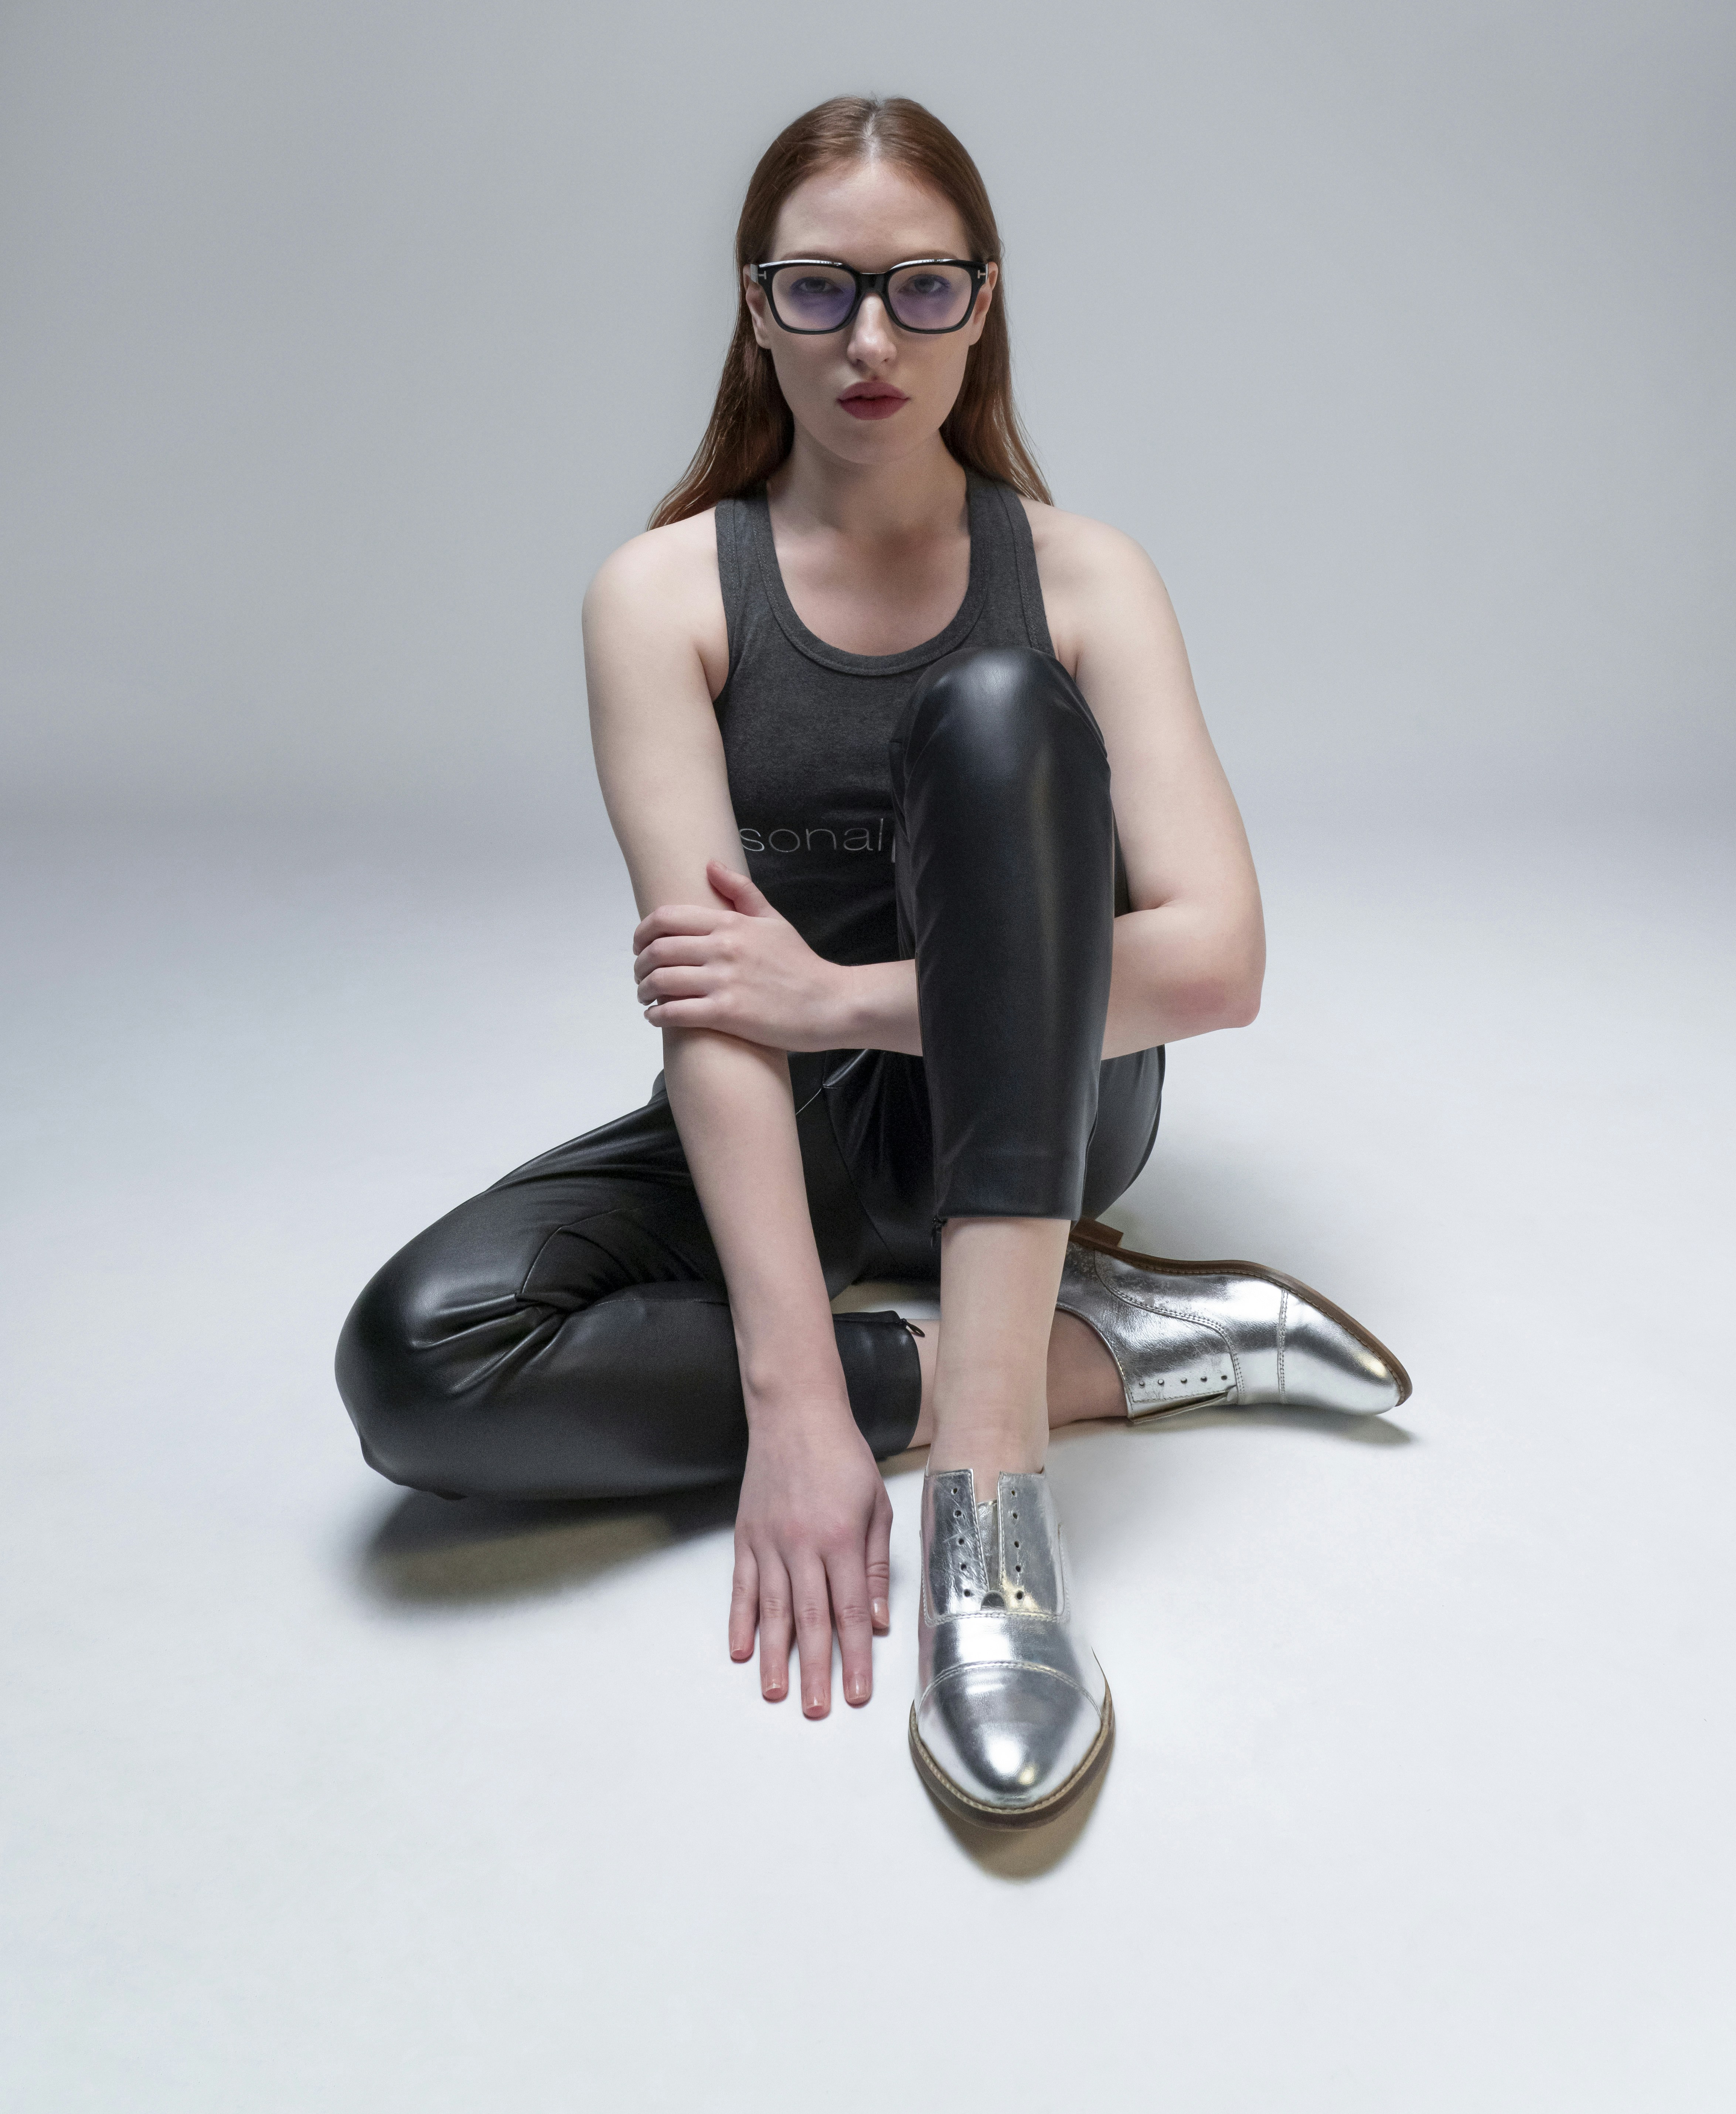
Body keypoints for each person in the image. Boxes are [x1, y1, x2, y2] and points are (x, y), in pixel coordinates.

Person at [336, 95, 1409, 1827]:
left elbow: (1213, 966)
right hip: (794, 1128)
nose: (868, 340)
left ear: (980, 305)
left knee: (993, 713)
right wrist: (791, 1401)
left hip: (1046, 1103)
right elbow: (715, 1013)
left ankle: (990, 1481)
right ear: (754, 308)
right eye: (818, 290)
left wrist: (832, 998)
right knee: (421, 1359)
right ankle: (1103, 1348)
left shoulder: (1083, 578)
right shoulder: (661, 598)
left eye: (919, 289)